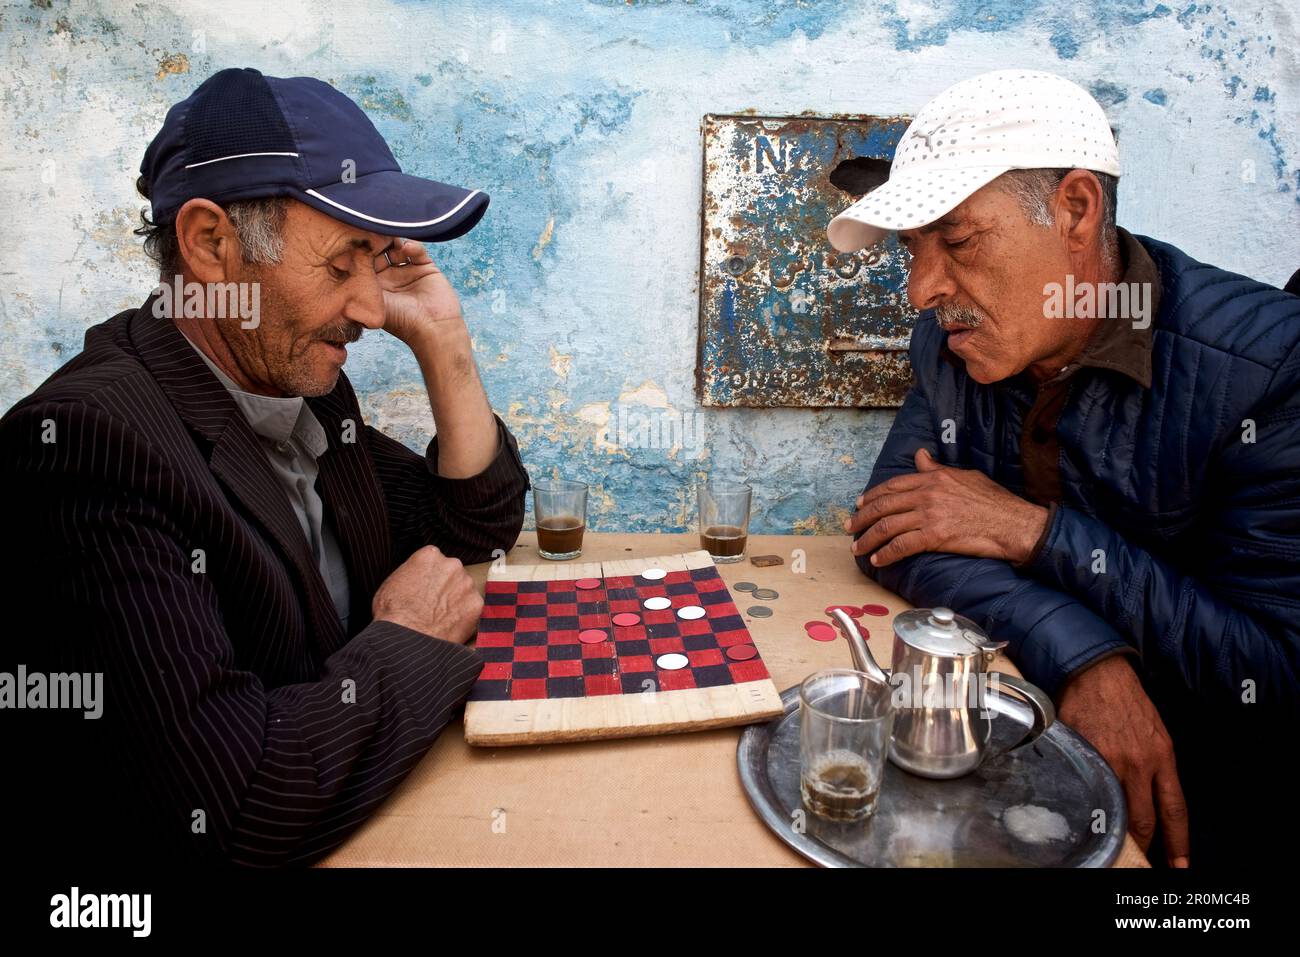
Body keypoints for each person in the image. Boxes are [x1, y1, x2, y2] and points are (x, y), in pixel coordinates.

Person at [0, 68, 528, 866]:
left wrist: (443, 338)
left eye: (379, 259)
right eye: (344, 260)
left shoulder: (294, 386)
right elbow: (235, 803)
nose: (369, 306)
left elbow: (470, 526)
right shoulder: (88, 447)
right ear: (211, 244)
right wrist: (412, 636)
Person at [833, 69, 1300, 867]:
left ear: (1076, 211)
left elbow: (1275, 670)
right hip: (1024, 748)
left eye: (958, 240)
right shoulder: (955, 342)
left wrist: (1033, 533)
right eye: (913, 250)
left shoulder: (1264, 366)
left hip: (1209, 805)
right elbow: (898, 525)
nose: (922, 290)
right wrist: (1082, 651)